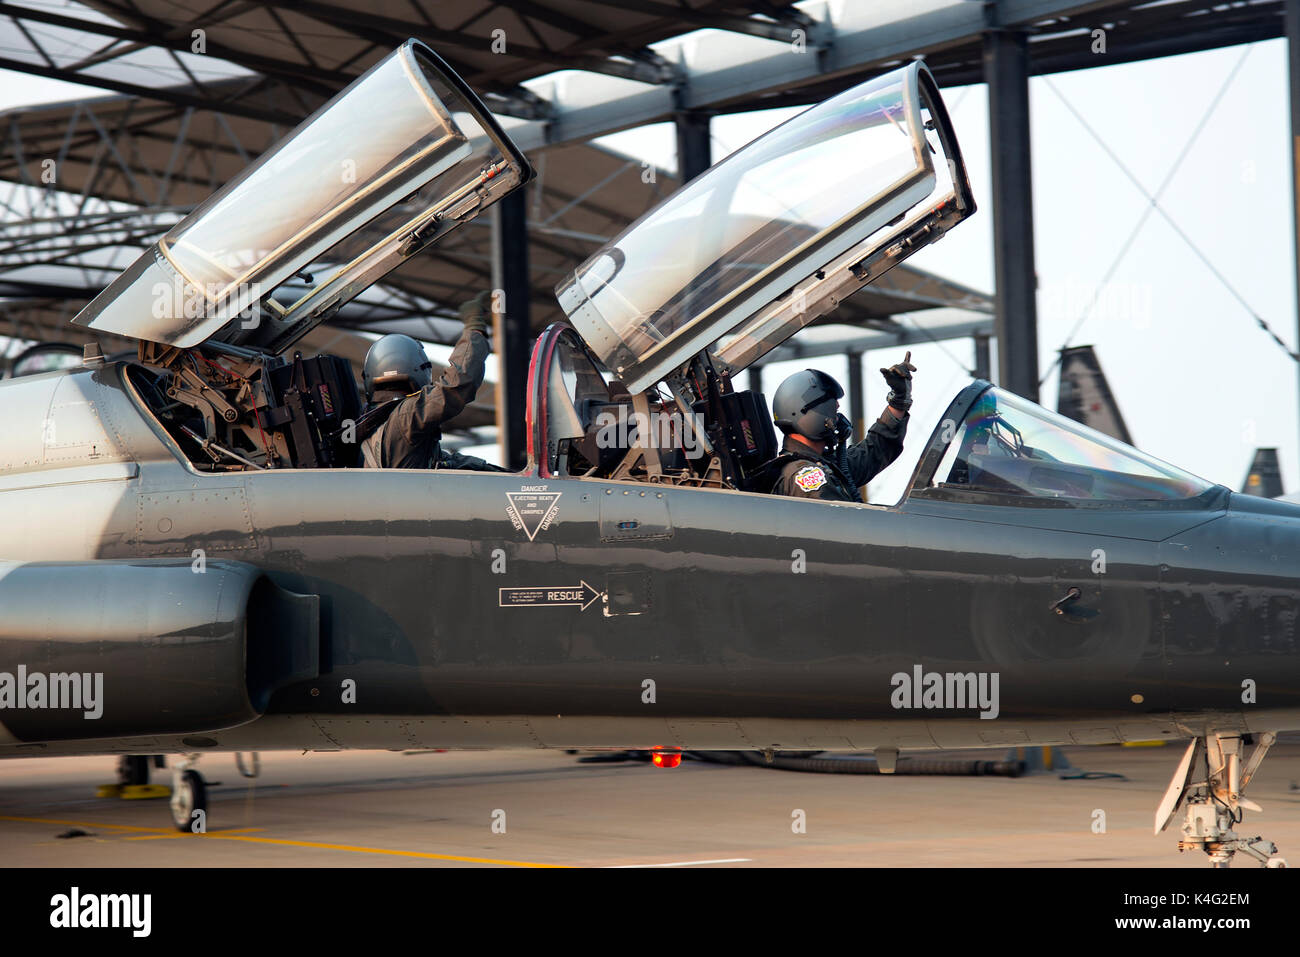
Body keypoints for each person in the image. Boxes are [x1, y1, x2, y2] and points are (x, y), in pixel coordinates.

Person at [355, 291, 505, 471]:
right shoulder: (406, 417)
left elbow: (445, 463)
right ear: (419, 368)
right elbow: (457, 383)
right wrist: (474, 327)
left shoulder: (367, 424)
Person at [768, 352, 916, 501]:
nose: (838, 418)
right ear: (808, 414)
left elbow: (876, 451)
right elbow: (844, 522)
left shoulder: (825, 464)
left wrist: (899, 400)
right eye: (835, 412)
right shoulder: (806, 476)